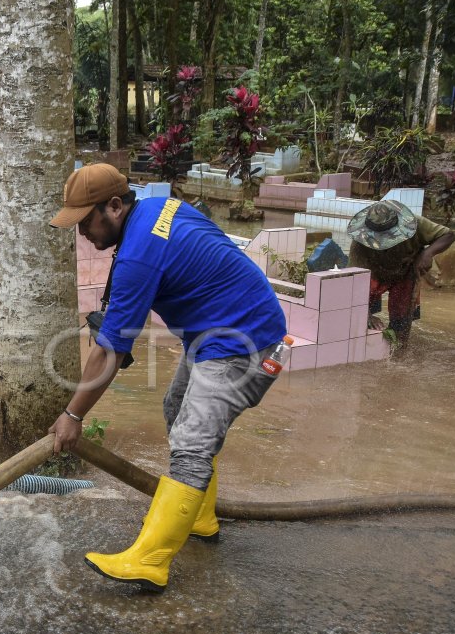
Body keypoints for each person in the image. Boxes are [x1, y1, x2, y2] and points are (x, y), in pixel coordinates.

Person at [47, 163, 287, 592]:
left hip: (245, 342)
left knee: (192, 443)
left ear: (115, 206)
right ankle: (199, 516)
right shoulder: (158, 207)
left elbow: (109, 352)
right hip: (219, 330)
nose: (82, 233)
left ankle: (150, 561)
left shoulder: (139, 254)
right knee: (177, 409)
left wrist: (72, 415)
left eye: (86, 221)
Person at [346, 200, 455, 344]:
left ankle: (399, 350)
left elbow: (448, 235)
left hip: (405, 271)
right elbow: (352, 281)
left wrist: (428, 253)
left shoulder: (416, 224)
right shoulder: (359, 243)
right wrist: (365, 313)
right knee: (356, 316)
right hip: (374, 274)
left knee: (401, 318)